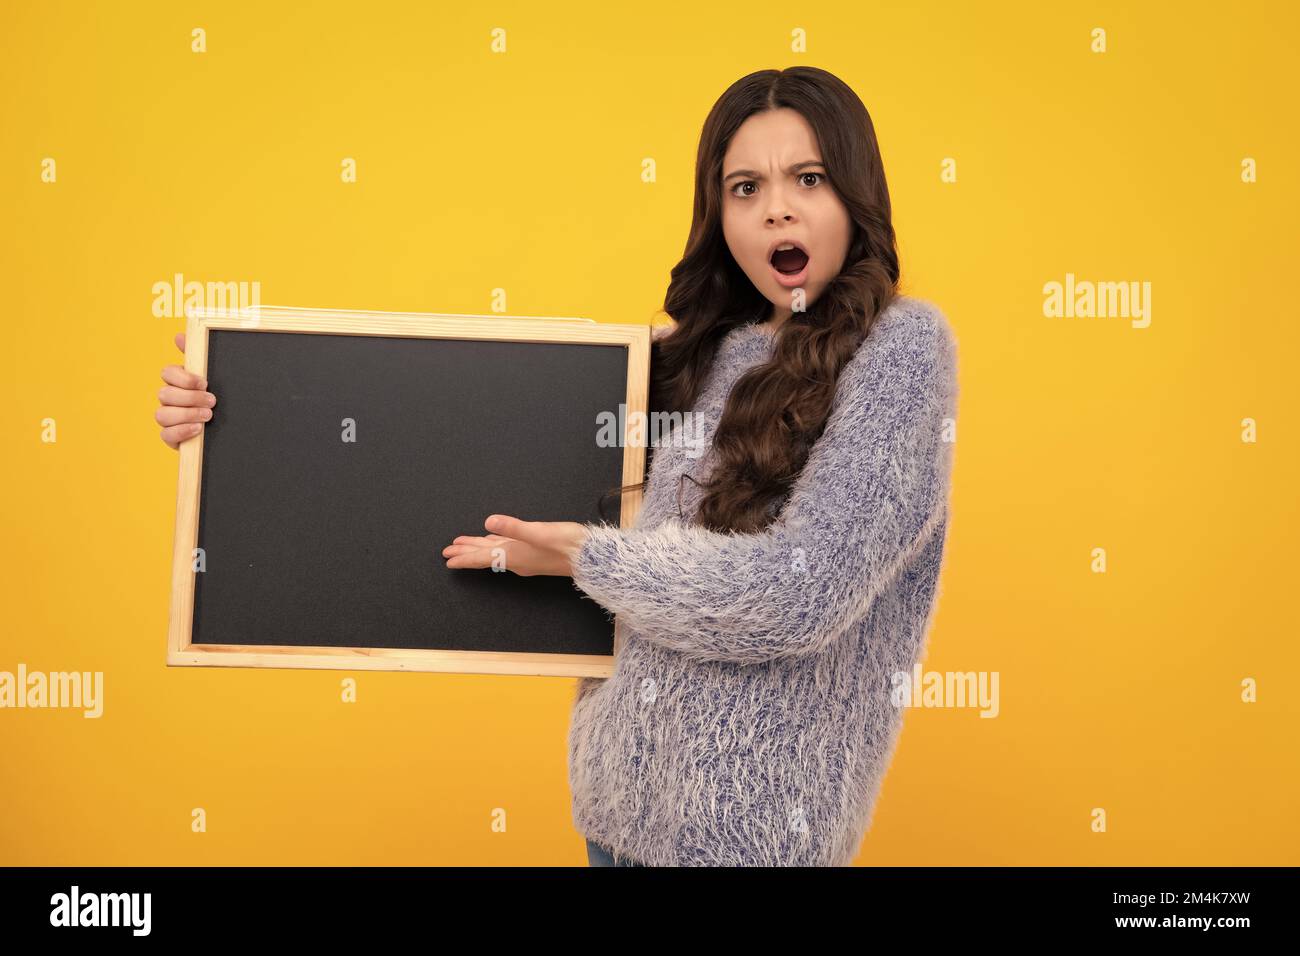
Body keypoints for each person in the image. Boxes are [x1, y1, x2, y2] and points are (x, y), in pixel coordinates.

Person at [155, 66, 959, 868]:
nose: (776, 206)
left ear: (856, 192)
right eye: (744, 188)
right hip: (613, 825)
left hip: (751, 846)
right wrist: (237, 415)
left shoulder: (904, 351)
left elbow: (799, 592)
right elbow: (437, 444)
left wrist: (588, 556)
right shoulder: (705, 354)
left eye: (808, 178)